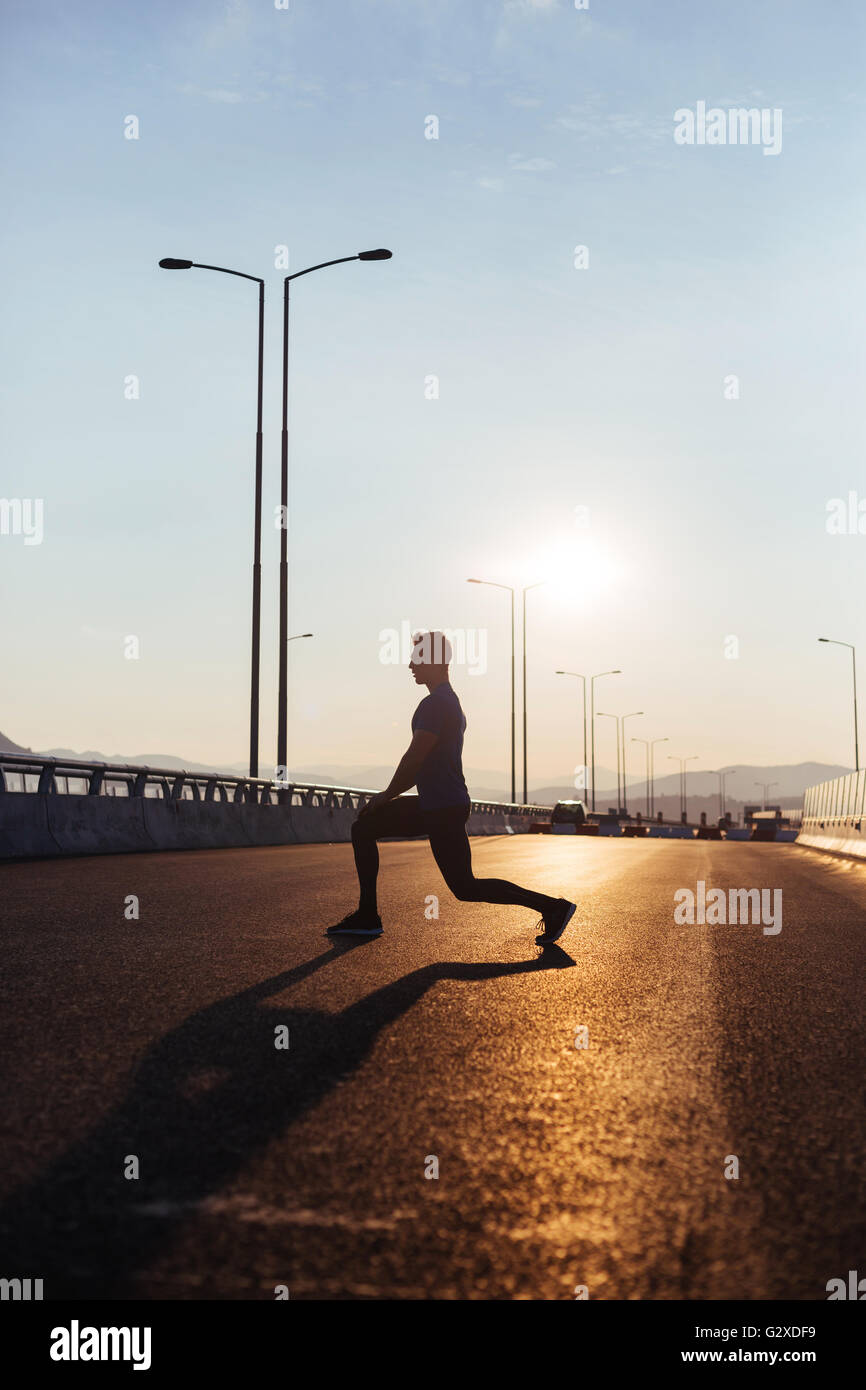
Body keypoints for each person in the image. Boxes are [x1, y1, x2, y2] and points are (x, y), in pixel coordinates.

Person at [327, 630, 576, 945]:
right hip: (444, 804)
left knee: (367, 830)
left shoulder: (434, 704)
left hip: (440, 807)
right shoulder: (450, 702)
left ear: (434, 661)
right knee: (465, 886)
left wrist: (385, 796)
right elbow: (422, 763)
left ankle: (367, 916)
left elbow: (415, 758)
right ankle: (553, 907)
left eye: (417, 658)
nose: (410, 665)